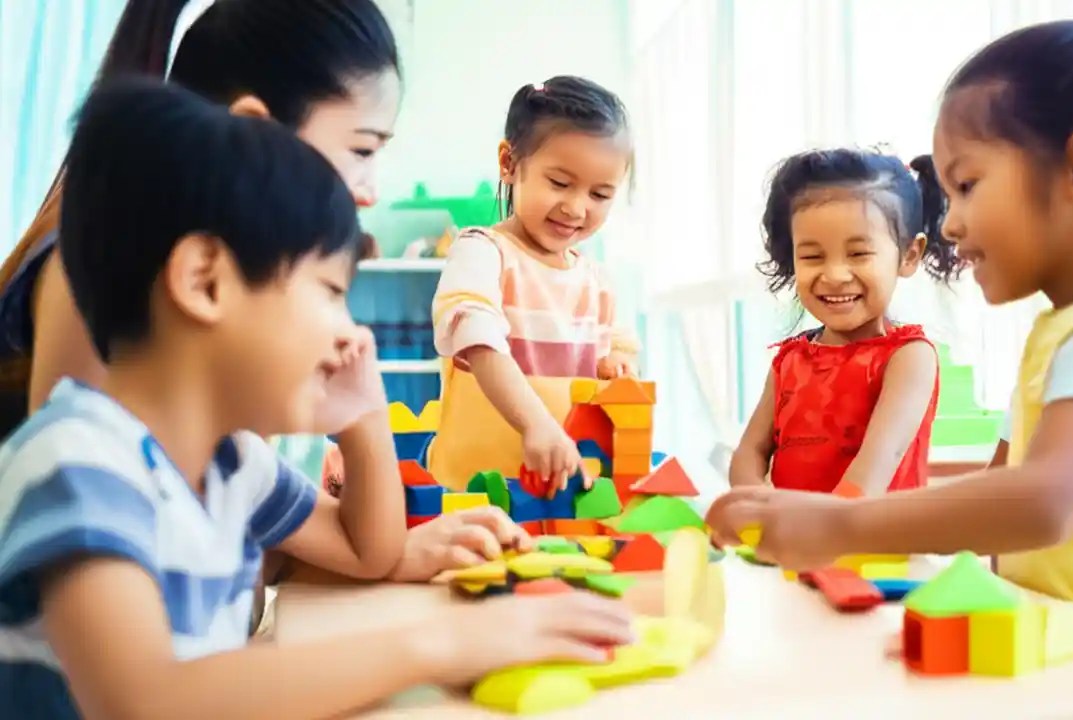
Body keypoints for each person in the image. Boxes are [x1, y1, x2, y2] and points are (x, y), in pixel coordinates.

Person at [0, 78, 634, 719]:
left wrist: (361, 417)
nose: (350, 331)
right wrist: (444, 643)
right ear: (205, 281)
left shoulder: (232, 467)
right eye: (330, 291)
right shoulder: (77, 461)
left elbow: (369, 550)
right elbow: (150, 702)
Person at [707, 20, 1073, 666]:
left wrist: (840, 524)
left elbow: (1042, 502)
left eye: (967, 186)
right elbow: (999, 500)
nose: (950, 222)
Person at [0, 0, 399, 437]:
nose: (370, 191)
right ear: (256, 127)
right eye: (362, 150)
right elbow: (76, 485)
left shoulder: (208, 269)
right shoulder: (106, 270)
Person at [427, 76, 640, 492]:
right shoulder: (482, 252)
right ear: (509, 163)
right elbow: (476, 339)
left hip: (564, 494)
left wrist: (617, 366)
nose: (576, 207)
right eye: (560, 183)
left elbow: (621, 351)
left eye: (600, 194)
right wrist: (536, 424)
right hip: (471, 490)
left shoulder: (596, 281)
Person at [729, 149, 959, 497]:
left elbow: (880, 460)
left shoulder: (908, 357)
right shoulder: (790, 361)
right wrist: (755, 506)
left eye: (859, 253)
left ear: (909, 255)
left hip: (876, 545)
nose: (835, 275)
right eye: (811, 256)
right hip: (798, 543)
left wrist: (822, 534)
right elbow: (749, 453)